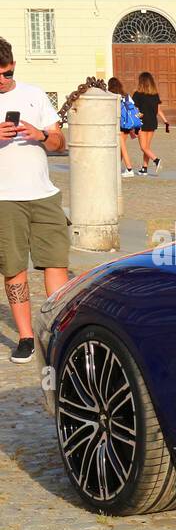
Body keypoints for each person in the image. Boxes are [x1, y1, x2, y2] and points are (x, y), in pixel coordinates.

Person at [0, 37, 71, 363]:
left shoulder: (34, 95)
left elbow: (60, 141)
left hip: (43, 194)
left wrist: (40, 134)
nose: (4, 80)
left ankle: (57, 328)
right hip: (5, 200)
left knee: (55, 262)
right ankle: (27, 337)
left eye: (8, 72)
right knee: (13, 269)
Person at [131, 71, 171, 176]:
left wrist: (135, 119)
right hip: (152, 122)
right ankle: (144, 168)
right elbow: (158, 110)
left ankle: (156, 160)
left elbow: (136, 110)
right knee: (147, 147)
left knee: (143, 147)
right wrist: (165, 121)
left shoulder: (137, 94)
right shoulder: (155, 95)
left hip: (142, 123)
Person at [107, 76, 140, 177]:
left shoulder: (110, 95)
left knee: (122, 147)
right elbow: (134, 108)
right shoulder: (126, 95)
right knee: (121, 147)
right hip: (127, 124)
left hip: (118, 124)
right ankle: (117, 168)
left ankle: (129, 169)